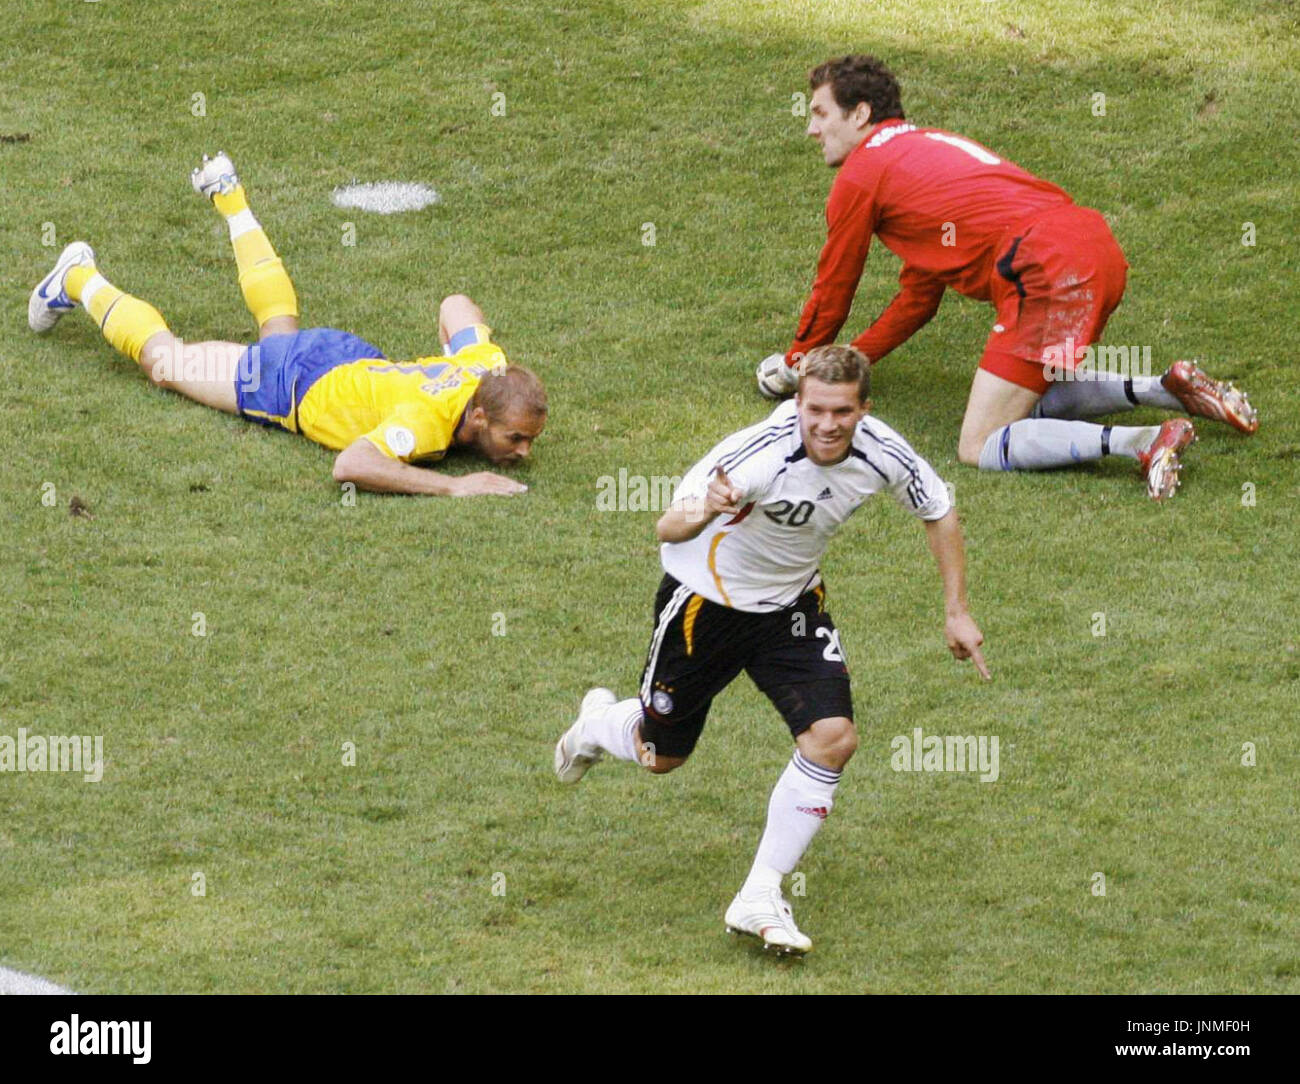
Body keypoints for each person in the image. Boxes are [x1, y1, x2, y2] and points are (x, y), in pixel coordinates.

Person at [554, 345, 989, 955]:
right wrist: (706, 508)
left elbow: (939, 510)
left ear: (864, 408)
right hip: (706, 606)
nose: (826, 424)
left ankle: (759, 893)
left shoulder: (884, 452)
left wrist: (957, 610)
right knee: (661, 756)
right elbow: (667, 526)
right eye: (815, 409)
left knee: (833, 737)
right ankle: (598, 724)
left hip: (790, 605)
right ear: (797, 402)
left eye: (841, 410)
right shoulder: (760, 457)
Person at [755, 55, 1258, 501]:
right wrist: (854, 361)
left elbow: (833, 289)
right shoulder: (921, 150)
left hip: (1046, 269)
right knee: (1030, 389)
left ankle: (1143, 442)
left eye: (819, 113)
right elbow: (918, 299)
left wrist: (799, 365)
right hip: (1091, 247)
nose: (811, 130)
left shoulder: (862, 174)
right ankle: (1166, 386)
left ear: (860, 113)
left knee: (980, 444)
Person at [28, 152, 546, 497]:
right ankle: (77, 278)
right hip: (291, 383)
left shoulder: (487, 366)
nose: (523, 451)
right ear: (478, 417)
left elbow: (456, 304)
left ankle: (229, 195)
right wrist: (455, 486)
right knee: (167, 363)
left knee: (278, 328)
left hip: (346, 355)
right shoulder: (421, 424)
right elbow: (351, 465)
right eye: (516, 437)